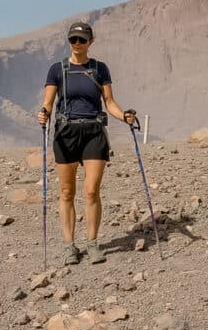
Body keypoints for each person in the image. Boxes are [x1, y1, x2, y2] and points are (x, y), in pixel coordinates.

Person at [37, 21, 137, 265]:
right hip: (66, 133)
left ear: (91, 41)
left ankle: (92, 244)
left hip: (94, 131)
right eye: (73, 39)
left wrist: (124, 116)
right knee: (67, 192)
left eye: (82, 39)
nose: (77, 43)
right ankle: (69, 246)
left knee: (91, 190)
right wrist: (44, 113)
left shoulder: (100, 69)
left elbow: (109, 101)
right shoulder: (57, 70)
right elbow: (48, 102)